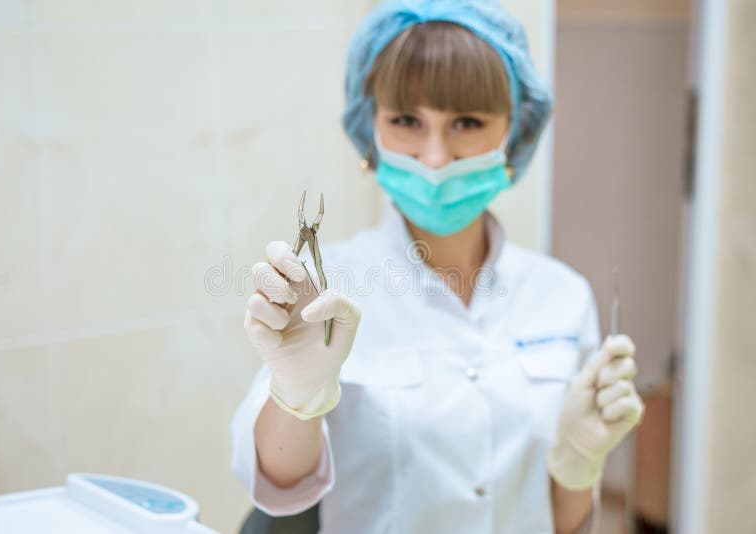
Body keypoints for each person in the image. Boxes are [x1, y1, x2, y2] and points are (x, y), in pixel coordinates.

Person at [231, 1, 644, 532]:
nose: (434, 157)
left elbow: (563, 524)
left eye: (467, 122)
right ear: (370, 128)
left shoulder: (562, 297)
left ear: (515, 131)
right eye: (407, 120)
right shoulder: (322, 289)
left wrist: (577, 465)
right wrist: (296, 397)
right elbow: (278, 487)